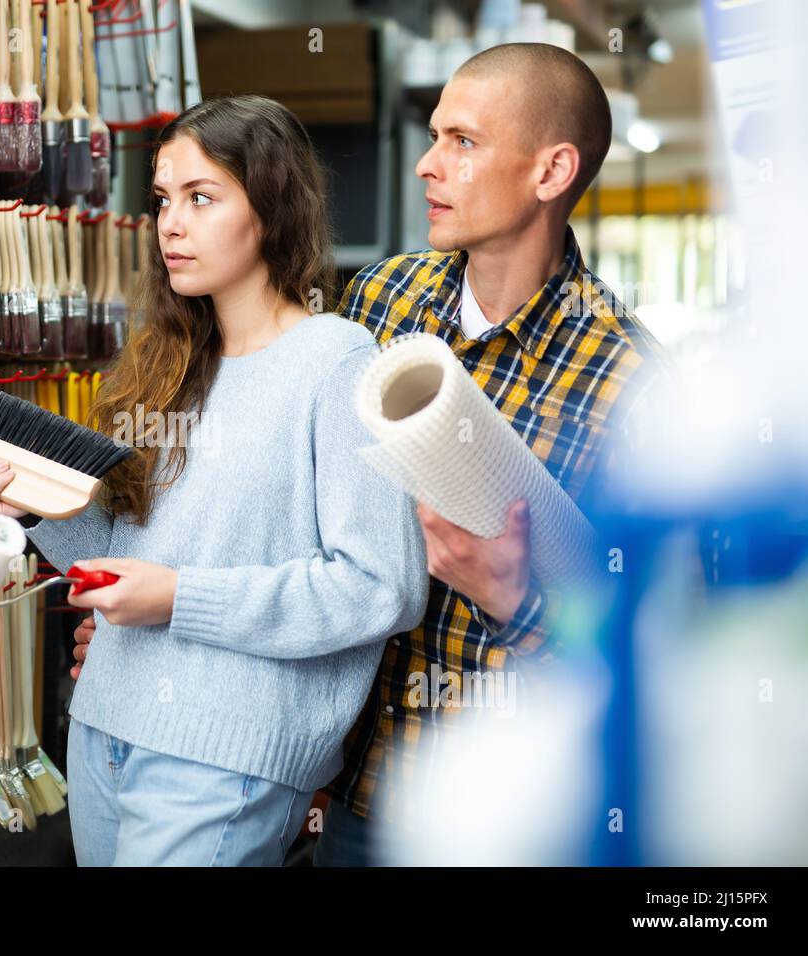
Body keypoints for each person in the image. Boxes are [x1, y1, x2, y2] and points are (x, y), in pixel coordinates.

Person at [74, 44, 663, 865]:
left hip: (509, 812)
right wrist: (155, 611)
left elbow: (668, 643)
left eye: (462, 142)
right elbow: (293, 510)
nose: (426, 165)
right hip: (360, 783)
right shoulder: (385, 301)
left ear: (551, 170)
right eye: (433, 137)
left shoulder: (629, 380)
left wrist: (520, 598)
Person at [0, 94, 428, 867]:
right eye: (163, 199)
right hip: (103, 729)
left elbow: (379, 588)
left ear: (270, 208)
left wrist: (178, 597)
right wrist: (25, 508)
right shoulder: (166, 364)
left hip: (225, 757)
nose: (171, 223)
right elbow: (121, 554)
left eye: (202, 198)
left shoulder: (338, 364)